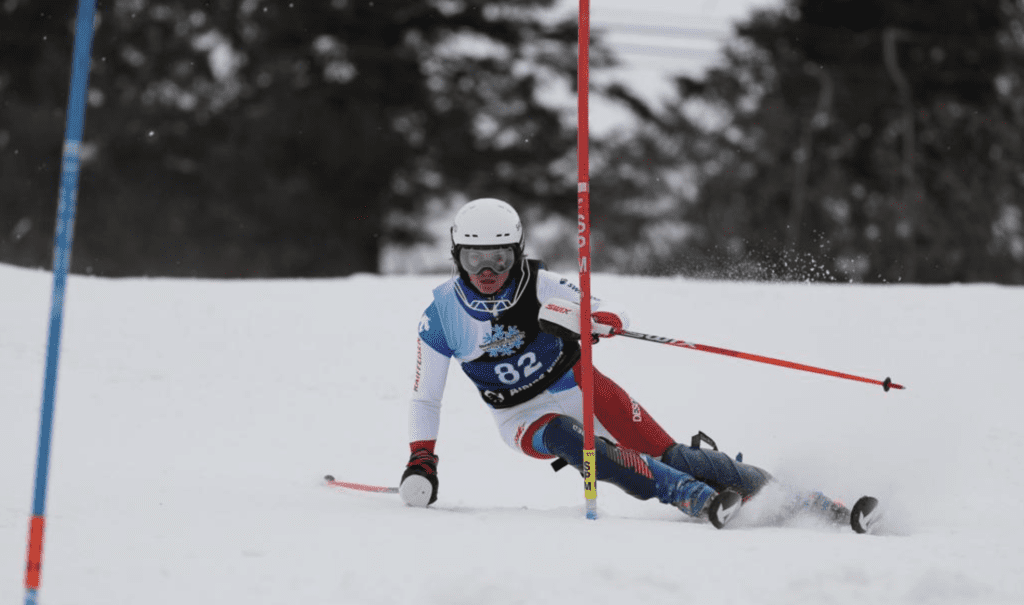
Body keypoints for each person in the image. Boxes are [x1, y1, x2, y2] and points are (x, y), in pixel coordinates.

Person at [398, 198, 840, 528]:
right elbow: (425, 398)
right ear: (458, 256)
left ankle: (799, 500)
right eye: (476, 259)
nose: (488, 272)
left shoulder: (542, 285)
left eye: (500, 258)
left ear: (516, 253)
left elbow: (612, 312)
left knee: (678, 456)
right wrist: (422, 460)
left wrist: (595, 323)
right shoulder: (441, 317)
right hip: (521, 416)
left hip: (582, 383)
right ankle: (689, 497)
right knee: (574, 441)